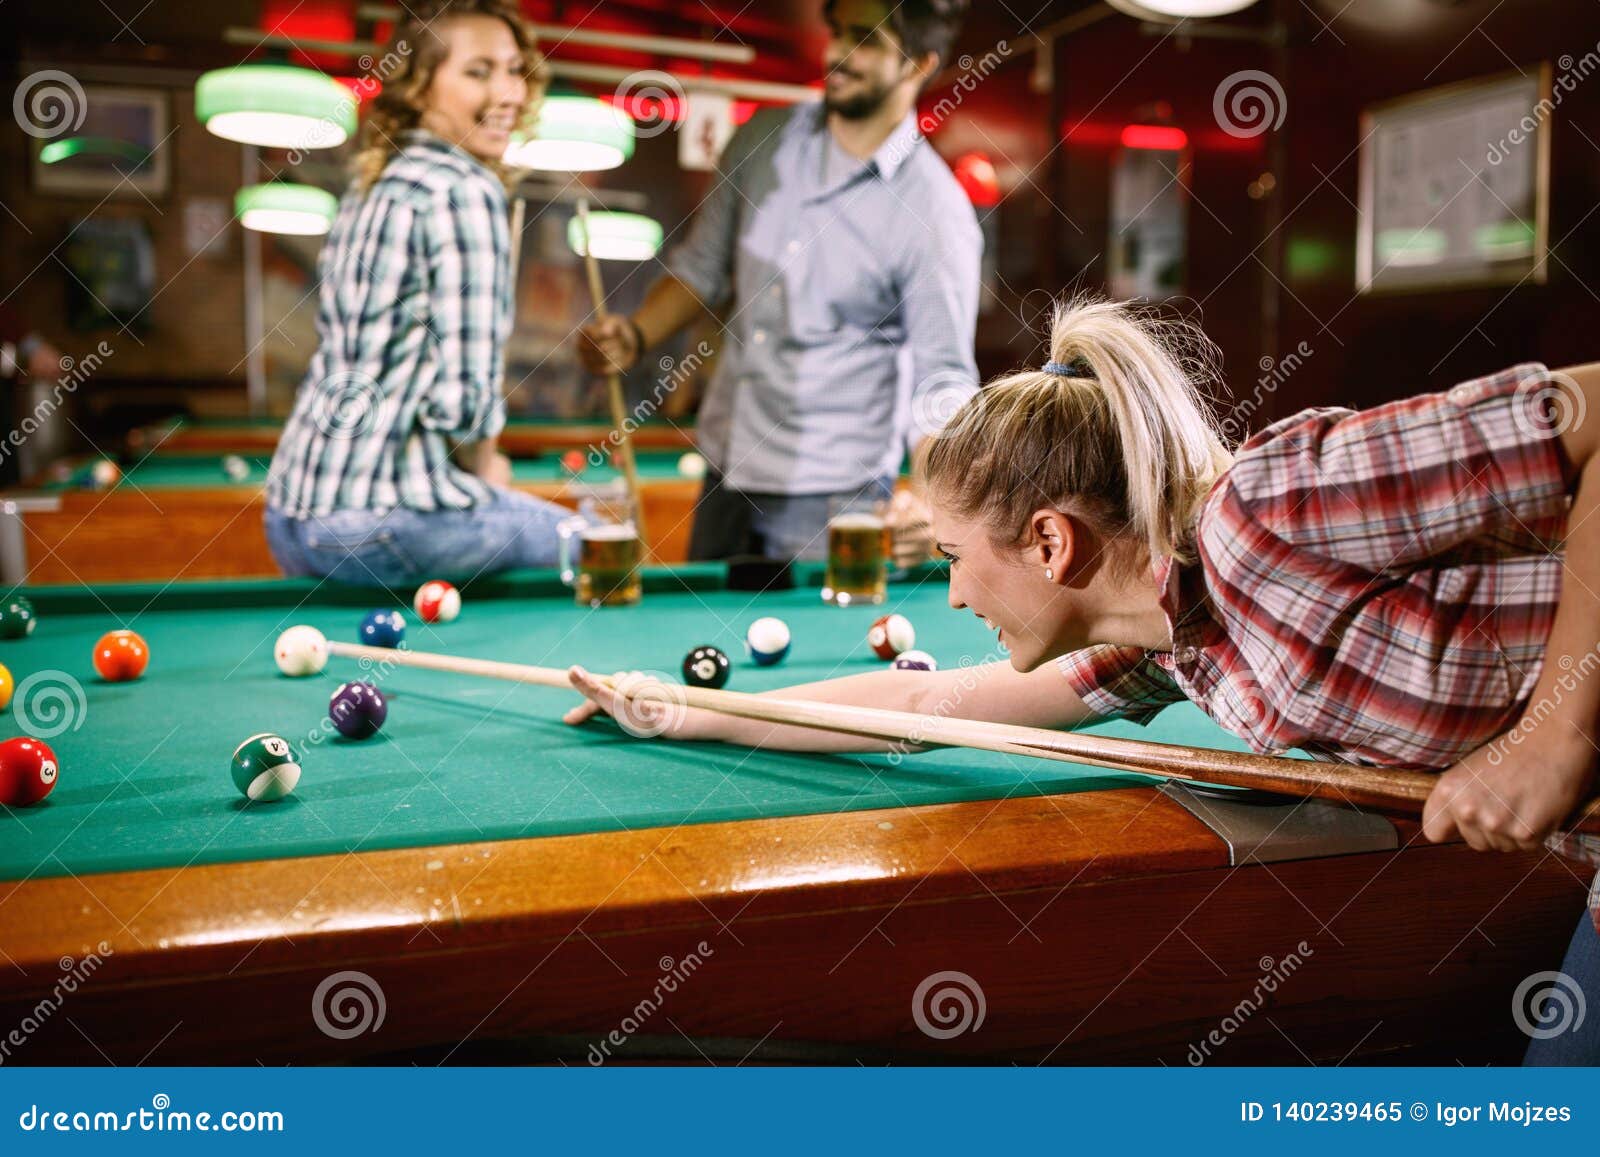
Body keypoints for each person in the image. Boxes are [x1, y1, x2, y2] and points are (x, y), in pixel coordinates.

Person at [565, 296, 1600, 1064]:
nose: (955, 593)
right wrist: (688, 710)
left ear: (1051, 542)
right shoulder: (1167, 644)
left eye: (952, 557)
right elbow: (926, 707)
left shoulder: (1272, 505)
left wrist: (1552, 737)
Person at [577, 0, 981, 566]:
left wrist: (936, 500)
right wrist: (635, 335)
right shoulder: (763, 139)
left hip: (835, 497)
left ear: (918, 64)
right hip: (725, 465)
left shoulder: (935, 211)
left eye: (866, 40)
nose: (838, 53)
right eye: (838, 33)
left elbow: (943, 379)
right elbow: (701, 267)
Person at [266, 0, 571, 587]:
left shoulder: (374, 180)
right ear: (419, 84)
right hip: (384, 524)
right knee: (602, 548)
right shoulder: (466, 189)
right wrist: (486, 475)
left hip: (291, 519)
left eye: (515, 70)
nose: (509, 92)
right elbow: (466, 400)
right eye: (478, 71)